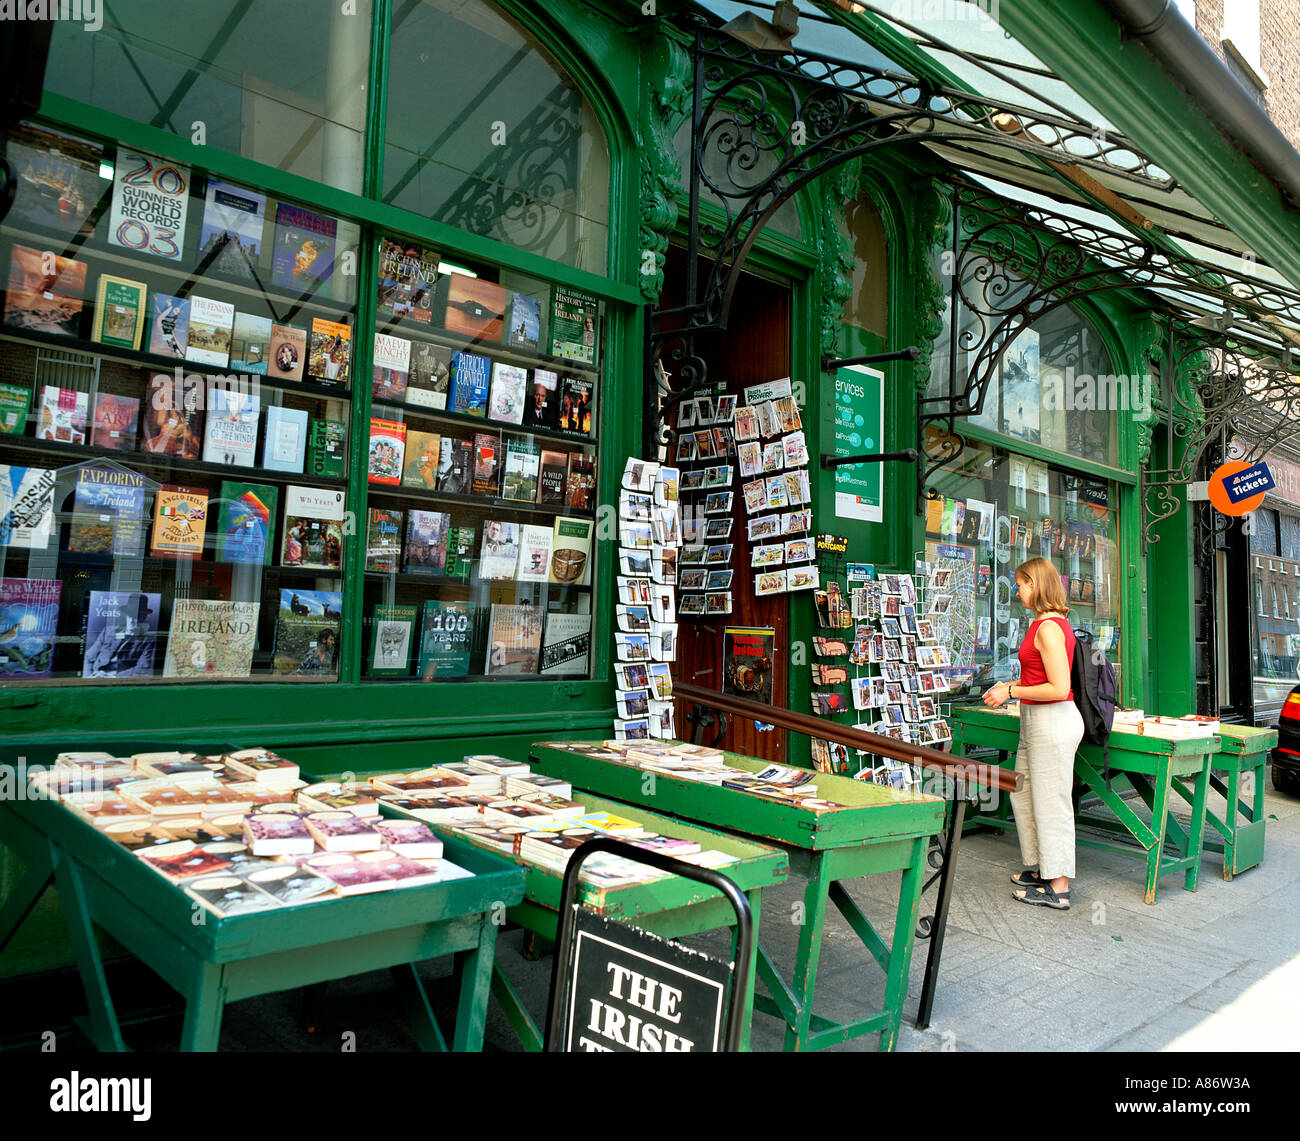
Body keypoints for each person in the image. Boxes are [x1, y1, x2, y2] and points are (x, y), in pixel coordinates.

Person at [982, 556, 1082, 911]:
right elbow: (1038, 679)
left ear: (1035, 584)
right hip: (1035, 720)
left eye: (1021, 584)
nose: (1018, 590)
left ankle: (1059, 885)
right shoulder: (1039, 624)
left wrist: (1011, 691)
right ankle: (1044, 868)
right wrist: (1010, 686)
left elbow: (1059, 687)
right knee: (1024, 795)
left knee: (1052, 802)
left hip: (1052, 721)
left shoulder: (1051, 628)